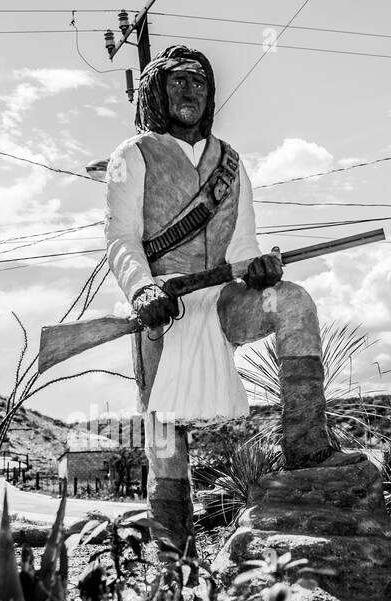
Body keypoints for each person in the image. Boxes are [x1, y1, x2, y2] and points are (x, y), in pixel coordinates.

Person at [104, 44, 333, 555]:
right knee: (164, 436)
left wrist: (260, 270)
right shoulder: (131, 156)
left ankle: (308, 446)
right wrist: (142, 289)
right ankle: (172, 559)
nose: (190, 91)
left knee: (293, 302)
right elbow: (121, 238)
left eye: (199, 82)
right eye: (178, 81)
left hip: (224, 302)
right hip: (164, 306)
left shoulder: (230, 161)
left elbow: (243, 245)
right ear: (157, 91)